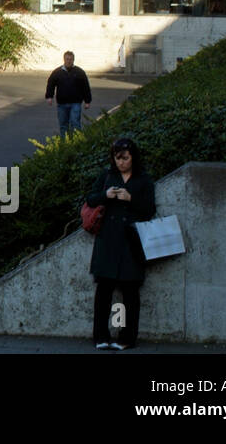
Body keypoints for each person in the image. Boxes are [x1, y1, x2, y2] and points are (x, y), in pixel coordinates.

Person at [85, 137, 156, 350]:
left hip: (131, 242)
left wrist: (130, 199)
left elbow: (149, 210)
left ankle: (127, 338)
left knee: (130, 292)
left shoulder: (143, 179)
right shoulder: (107, 175)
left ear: (133, 157)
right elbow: (90, 199)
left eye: (125, 158)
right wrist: (106, 195)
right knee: (104, 290)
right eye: (117, 158)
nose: (121, 162)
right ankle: (101, 336)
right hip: (108, 239)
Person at [47, 50, 92, 138]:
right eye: (67, 59)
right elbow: (51, 84)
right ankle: (65, 144)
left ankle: (76, 142)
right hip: (62, 104)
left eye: (70, 59)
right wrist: (49, 96)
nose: (69, 61)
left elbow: (85, 87)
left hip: (75, 103)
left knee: (75, 123)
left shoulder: (79, 72)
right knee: (63, 124)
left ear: (73, 60)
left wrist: (87, 101)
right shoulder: (57, 72)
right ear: (64, 59)